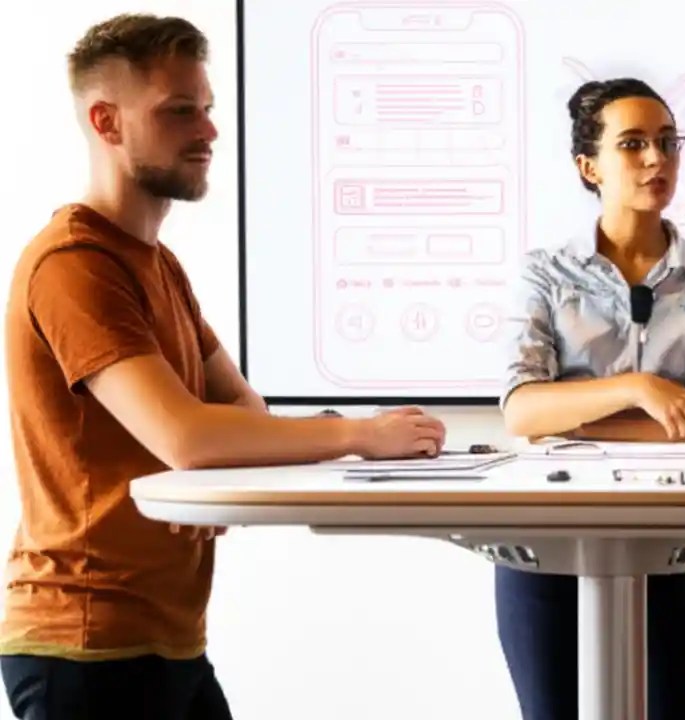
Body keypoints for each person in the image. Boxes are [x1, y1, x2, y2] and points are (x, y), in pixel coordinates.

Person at [0, 14, 446, 719]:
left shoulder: (158, 266)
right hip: (85, 642)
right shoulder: (75, 266)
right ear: (106, 121)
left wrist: (208, 461)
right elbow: (189, 436)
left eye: (206, 109)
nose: (209, 130)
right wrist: (361, 434)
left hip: (166, 639)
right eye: (179, 111)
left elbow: (242, 411)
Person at [496, 77, 685, 719]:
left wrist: (569, 419)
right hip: (541, 542)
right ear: (590, 167)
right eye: (633, 144)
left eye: (667, 142)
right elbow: (522, 411)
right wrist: (642, 389)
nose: (656, 159)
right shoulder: (546, 272)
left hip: (660, 541)